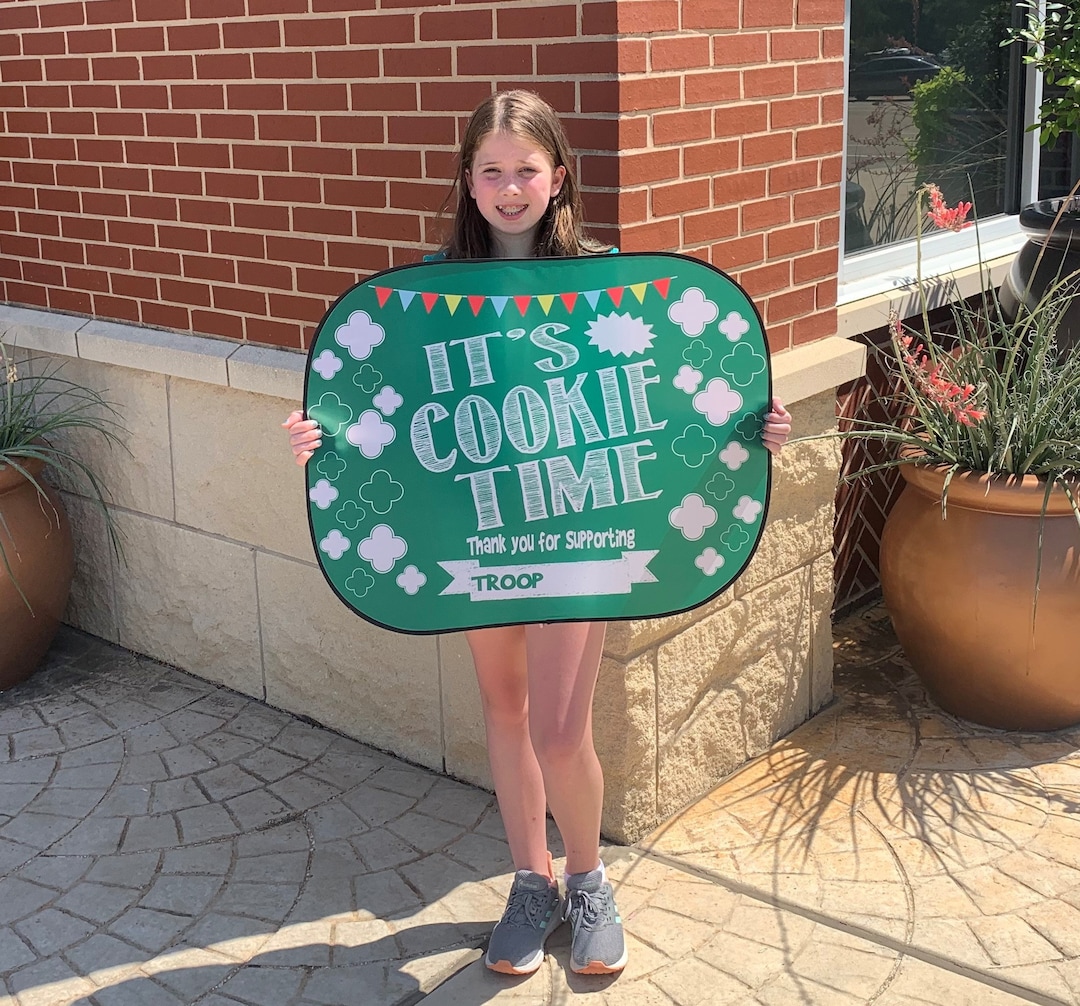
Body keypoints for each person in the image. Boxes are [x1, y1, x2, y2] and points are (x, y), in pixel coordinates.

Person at [283, 90, 793, 978]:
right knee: (507, 713)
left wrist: (752, 429)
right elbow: (383, 409)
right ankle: (532, 881)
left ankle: (588, 880)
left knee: (561, 731)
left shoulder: (607, 285)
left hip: (581, 530)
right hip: (477, 529)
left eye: (526, 169)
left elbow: (669, 392)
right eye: (492, 170)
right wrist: (322, 442)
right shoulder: (425, 296)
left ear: (558, 177)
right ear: (468, 181)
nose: (510, 186)